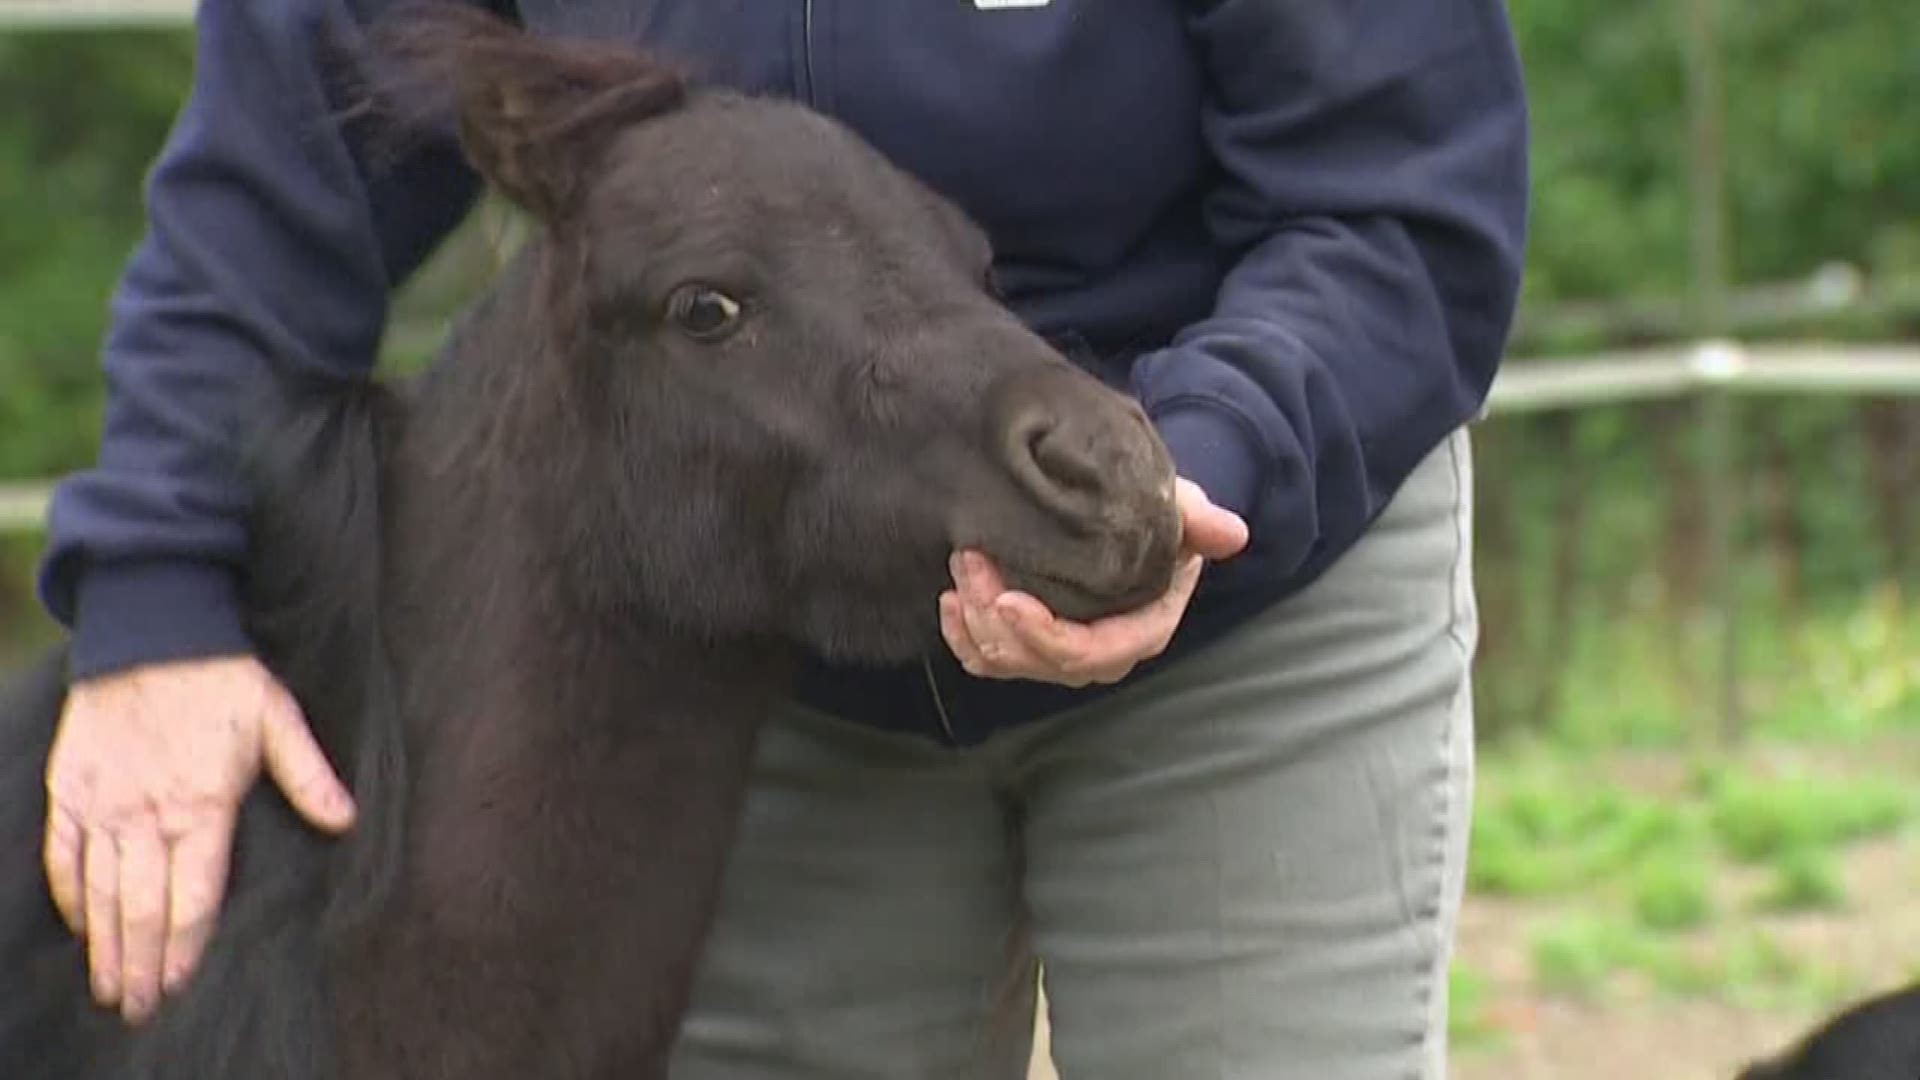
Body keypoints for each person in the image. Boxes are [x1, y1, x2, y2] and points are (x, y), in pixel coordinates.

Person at [35, 1, 1529, 1076]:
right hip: (778, 652)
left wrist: (1200, 465)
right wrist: (161, 600)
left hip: (1237, 550)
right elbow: (278, 181)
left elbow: (1393, 203)